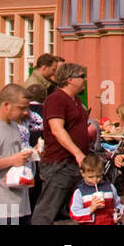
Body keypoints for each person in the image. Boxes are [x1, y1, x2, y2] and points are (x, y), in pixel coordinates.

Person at [31, 63, 91, 226]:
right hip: (60, 162)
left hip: (75, 163)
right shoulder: (57, 99)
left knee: (82, 206)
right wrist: (78, 153)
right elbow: (57, 130)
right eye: (81, 76)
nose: (85, 79)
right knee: (47, 209)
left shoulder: (76, 101)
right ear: (70, 79)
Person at [0, 85, 34, 226]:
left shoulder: (13, 125)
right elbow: (12, 159)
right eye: (21, 108)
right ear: (6, 105)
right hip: (1, 207)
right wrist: (12, 160)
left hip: (20, 203)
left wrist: (31, 154)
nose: (25, 112)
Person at [70, 152, 123, 226]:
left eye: (98, 176)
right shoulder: (80, 192)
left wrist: (119, 214)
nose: (95, 180)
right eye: (90, 177)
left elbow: (118, 204)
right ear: (82, 173)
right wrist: (91, 209)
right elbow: (74, 214)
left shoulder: (110, 187)